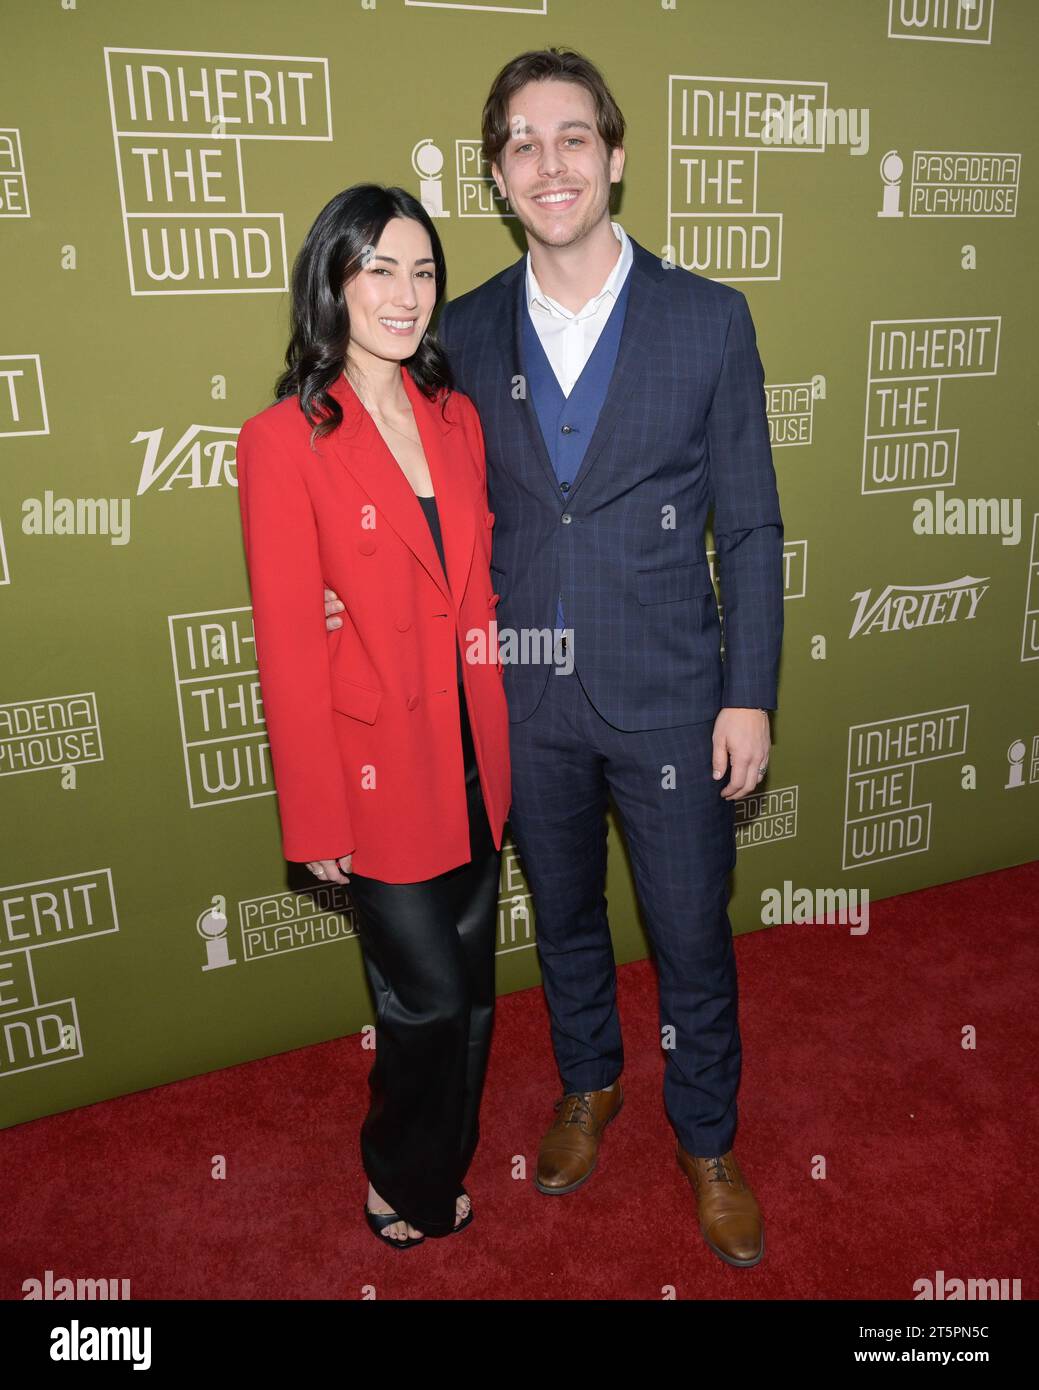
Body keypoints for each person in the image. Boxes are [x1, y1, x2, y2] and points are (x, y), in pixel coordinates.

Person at [324, 47, 784, 1269]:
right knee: (566, 917)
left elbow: (746, 521)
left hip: (675, 696)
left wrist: (749, 691)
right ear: (495, 176)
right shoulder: (457, 331)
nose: (549, 161)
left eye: (572, 136)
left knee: (690, 928)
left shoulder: (708, 318)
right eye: (521, 143)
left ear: (615, 157)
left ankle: (708, 1137)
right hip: (522, 697)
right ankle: (589, 1082)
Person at [235, 185, 511, 1248]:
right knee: (425, 1000)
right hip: (373, 764)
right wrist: (317, 826)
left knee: (478, 997)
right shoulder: (283, 439)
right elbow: (287, 647)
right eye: (378, 268)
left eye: (422, 270)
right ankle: (397, 1173)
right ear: (332, 283)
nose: (405, 293)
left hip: (474, 750)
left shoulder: (458, 415)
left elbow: (471, 590)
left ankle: (440, 1165)